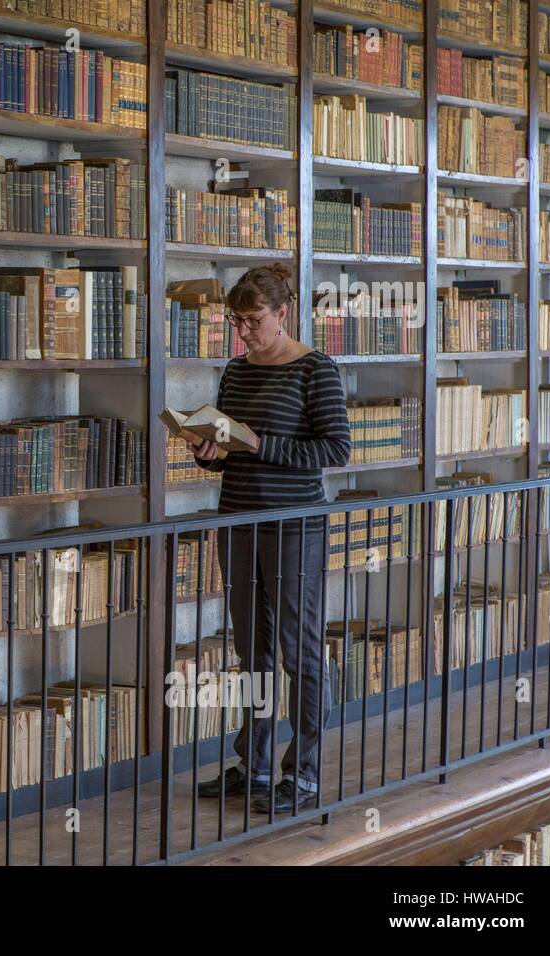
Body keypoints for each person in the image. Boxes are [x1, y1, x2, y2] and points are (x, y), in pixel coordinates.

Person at [189, 264, 351, 813]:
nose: (244, 332)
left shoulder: (316, 370)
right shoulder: (235, 371)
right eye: (237, 321)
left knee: (298, 651)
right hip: (238, 520)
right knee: (250, 652)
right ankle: (252, 765)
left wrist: (262, 445)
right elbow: (231, 446)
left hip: (294, 527)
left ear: (282, 314)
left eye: (254, 321)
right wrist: (207, 451)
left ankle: (301, 774)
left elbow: (334, 452)